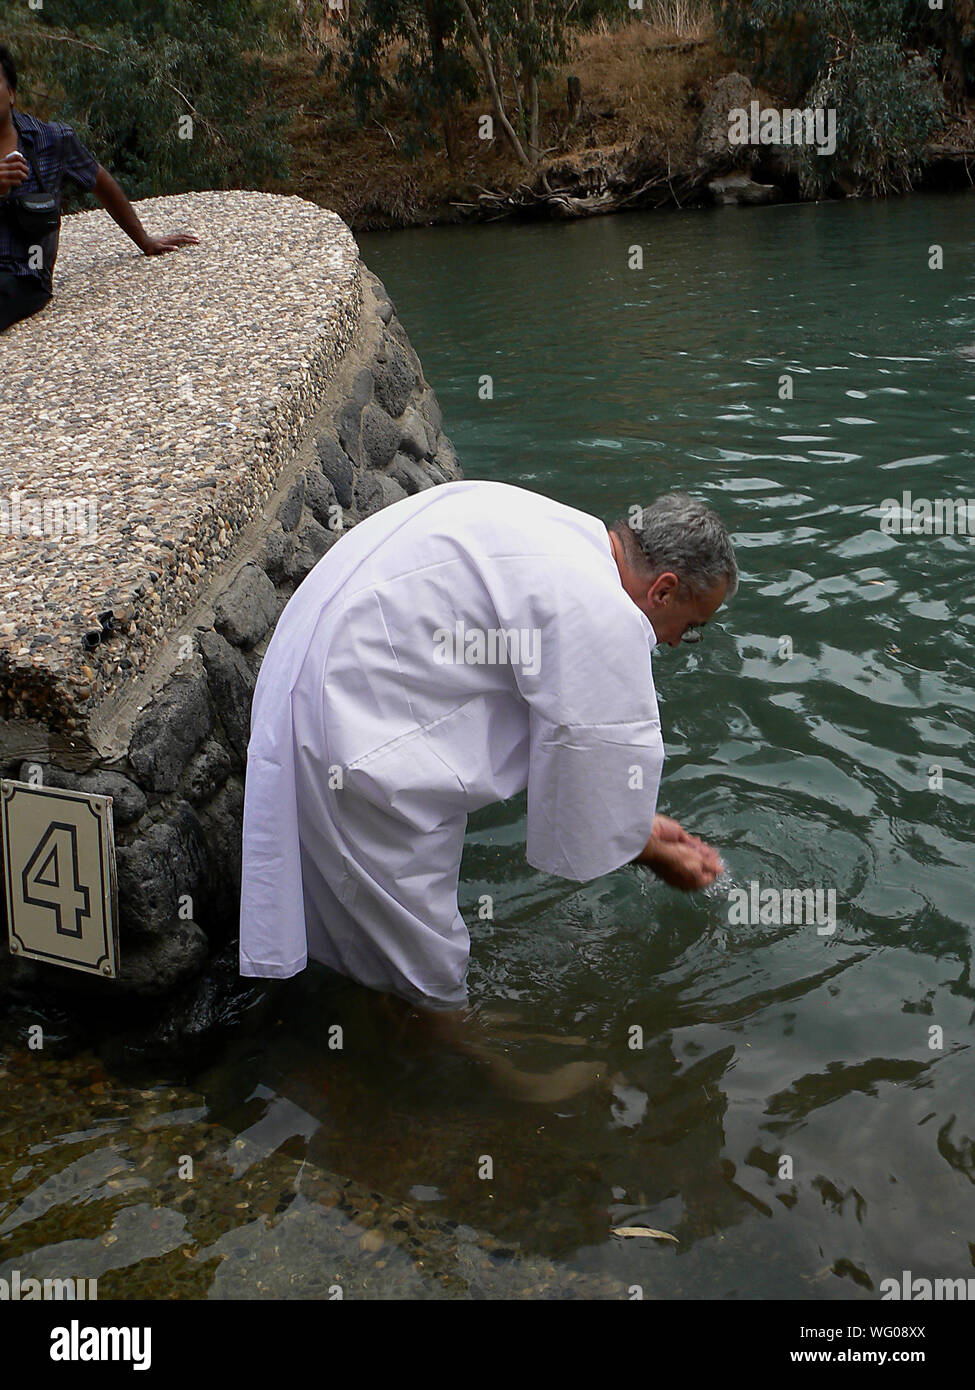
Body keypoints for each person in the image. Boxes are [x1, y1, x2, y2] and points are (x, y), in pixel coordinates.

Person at [239, 479, 736, 1027]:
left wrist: (637, 824)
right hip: (358, 720)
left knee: (360, 923)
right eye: (689, 627)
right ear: (663, 590)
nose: (672, 643)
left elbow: (577, 750)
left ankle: (345, 1034)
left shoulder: (559, 531)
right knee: (420, 966)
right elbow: (591, 754)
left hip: (311, 668)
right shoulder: (601, 609)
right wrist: (648, 849)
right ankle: (458, 1064)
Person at [0, 43, 198, 332]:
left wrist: (144, 240)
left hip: (23, 276)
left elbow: (100, 181)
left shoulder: (50, 140)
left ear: (12, 94)